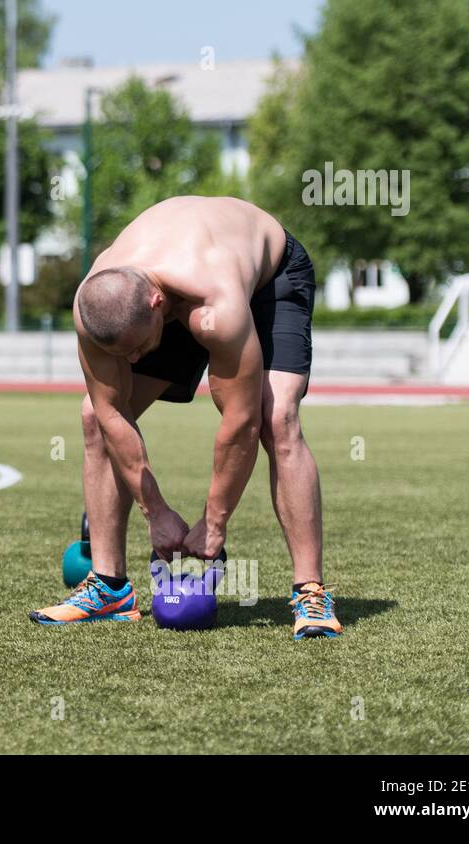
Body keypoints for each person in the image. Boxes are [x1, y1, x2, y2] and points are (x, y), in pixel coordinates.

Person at [29, 196, 342, 639]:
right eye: (125, 354)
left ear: (158, 305)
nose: (134, 359)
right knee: (93, 417)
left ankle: (310, 592)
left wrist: (214, 524)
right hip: (168, 297)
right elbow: (111, 411)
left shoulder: (218, 304)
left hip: (268, 280)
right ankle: (109, 586)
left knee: (277, 418)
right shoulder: (93, 304)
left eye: (137, 349)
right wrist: (154, 511)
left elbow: (240, 425)